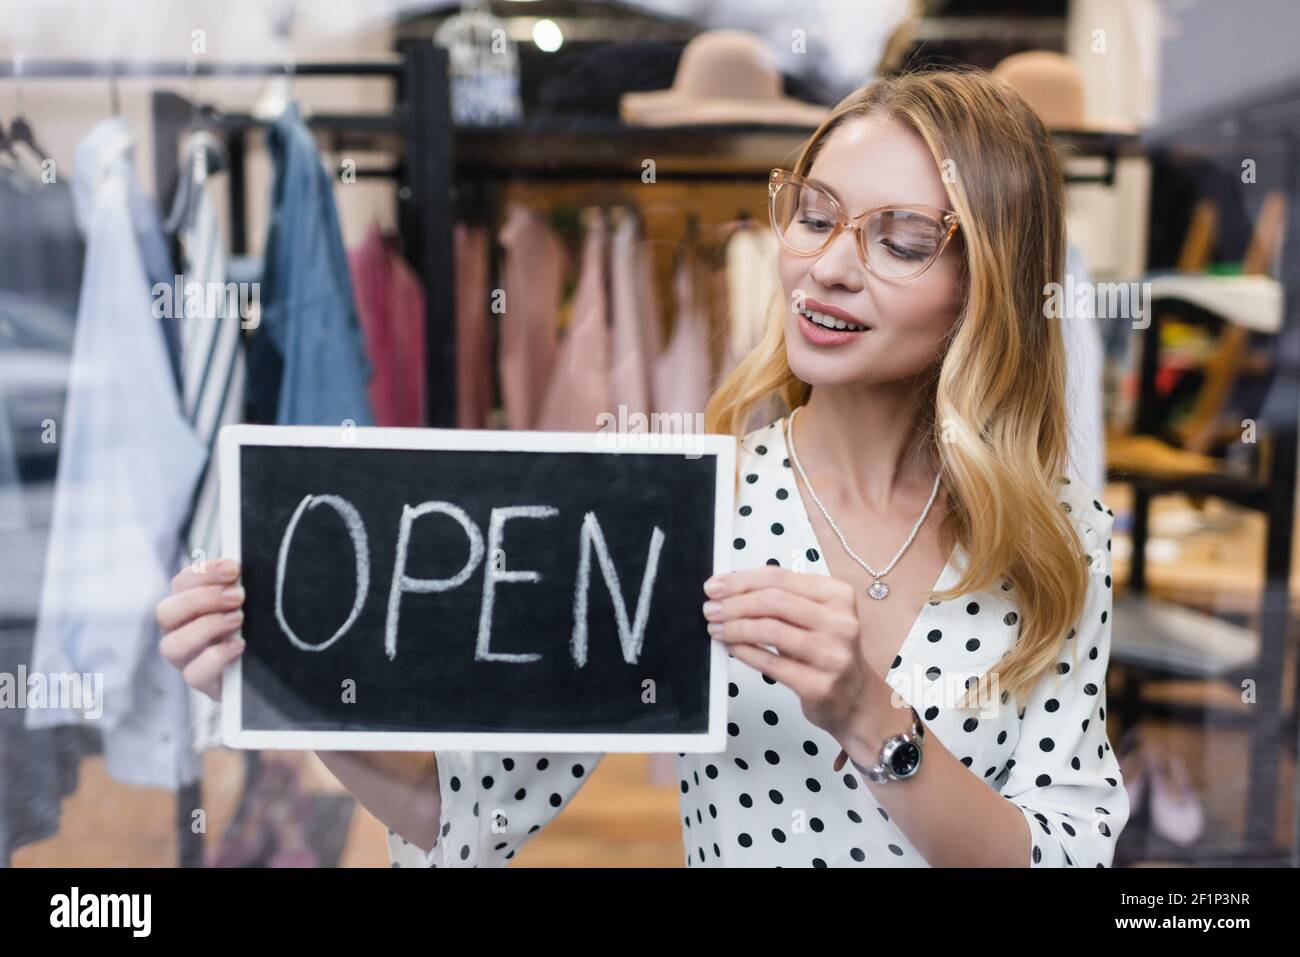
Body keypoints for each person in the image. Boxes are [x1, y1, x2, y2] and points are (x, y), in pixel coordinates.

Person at [157, 66, 1129, 868]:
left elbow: (1066, 855)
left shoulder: (1057, 537)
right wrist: (301, 688)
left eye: (902, 241)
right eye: (815, 214)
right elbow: (473, 815)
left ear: (988, 285)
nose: (829, 265)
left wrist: (871, 716)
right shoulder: (682, 513)